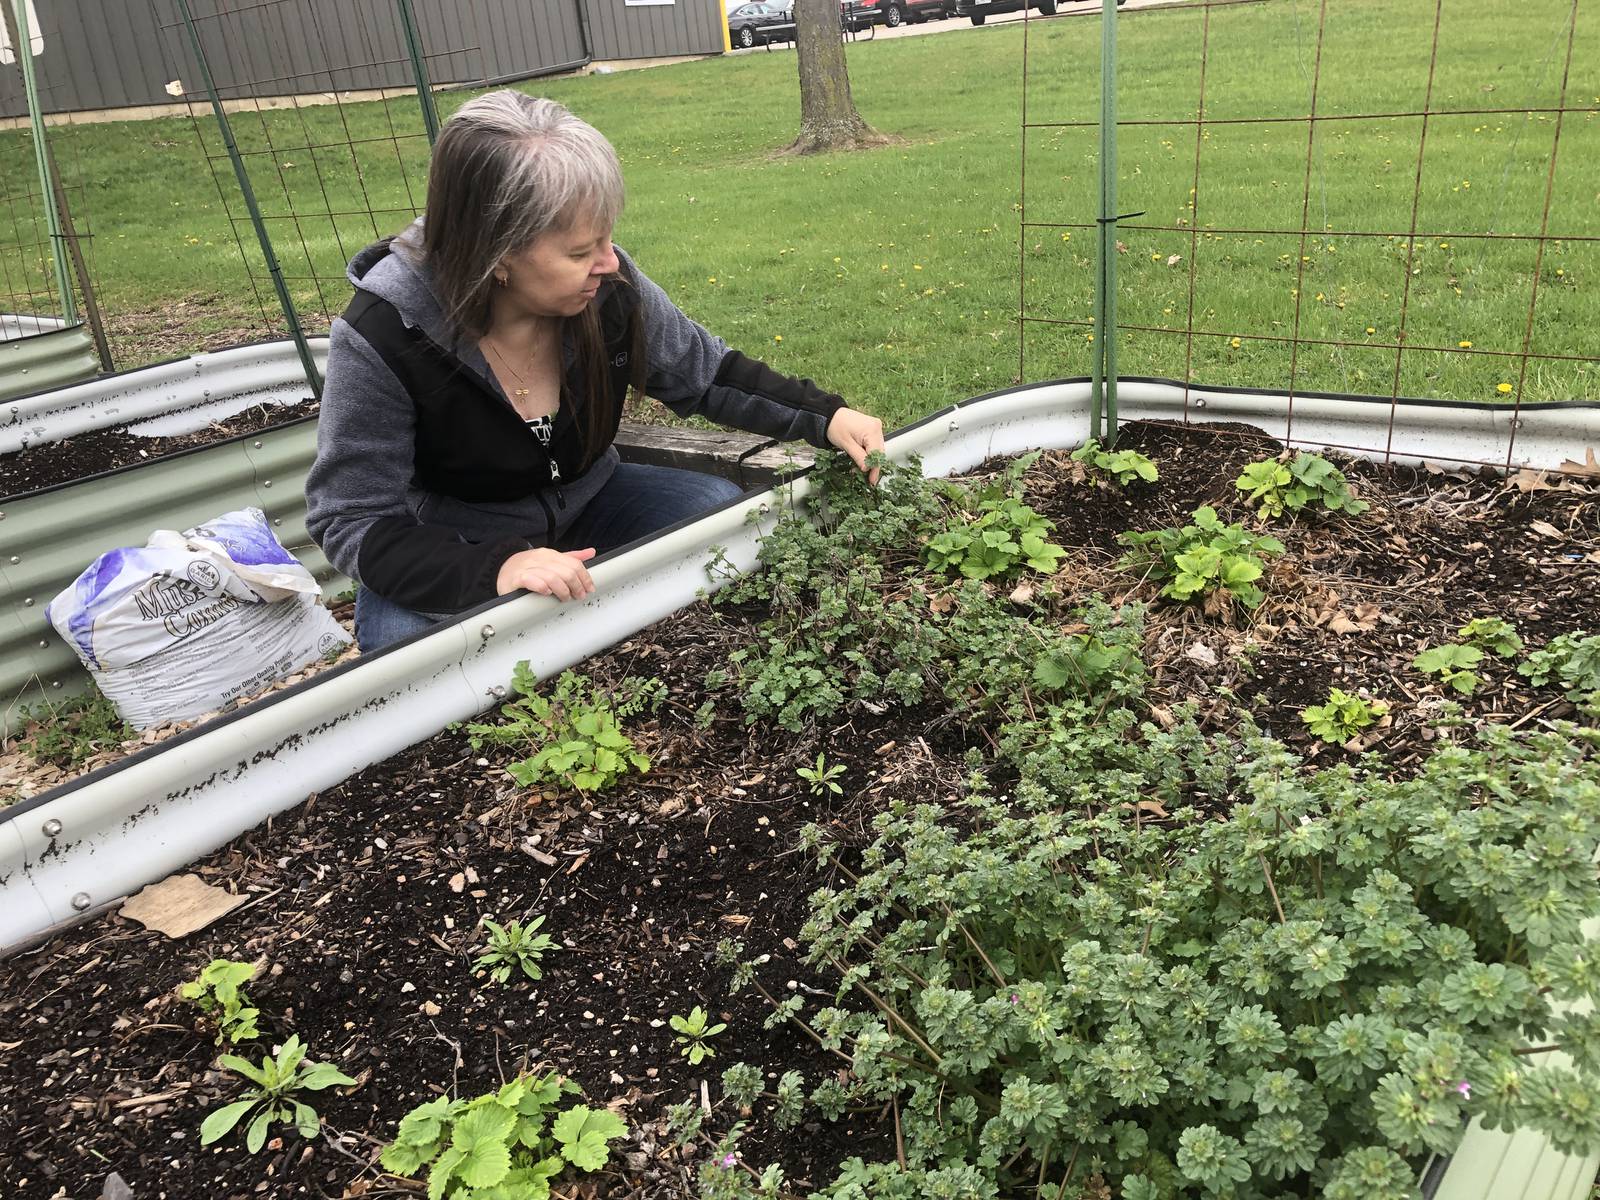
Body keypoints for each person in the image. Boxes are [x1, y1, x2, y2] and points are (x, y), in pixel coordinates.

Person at [304, 90, 885, 652]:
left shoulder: (608, 288)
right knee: (401, 646)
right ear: (495, 254)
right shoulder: (384, 335)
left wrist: (826, 416)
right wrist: (498, 569)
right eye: (581, 251)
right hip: (460, 538)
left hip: (594, 502)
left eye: (606, 239)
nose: (608, 263)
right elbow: (351, 518)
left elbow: (705, 373)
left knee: (719, 515)